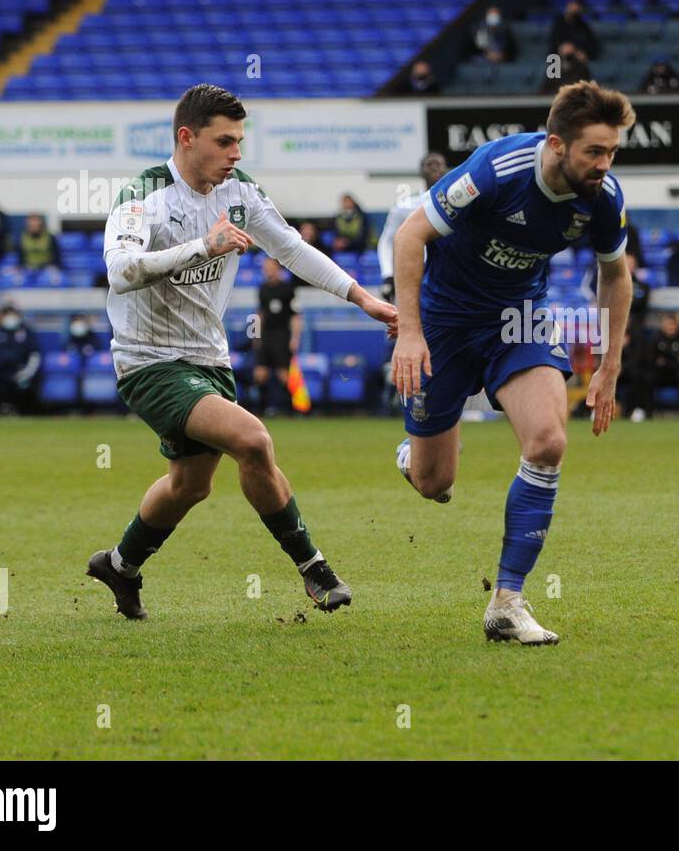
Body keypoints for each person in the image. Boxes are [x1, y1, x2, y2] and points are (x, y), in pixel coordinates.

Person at [84, 84, 397, 621]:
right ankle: (314, 568)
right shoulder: (142, 196)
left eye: (239, 142)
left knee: (189, 485)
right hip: (148, 360)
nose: (236, 154)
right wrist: (204, 246)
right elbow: (121, 271)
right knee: (252, 440)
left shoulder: (240, 192)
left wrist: (363, 298)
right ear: (187, 138)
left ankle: (120, 564)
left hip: (209, 357)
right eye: (225, 142)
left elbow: (292, 249)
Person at [390, 80, 634, 644]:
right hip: (446, 320)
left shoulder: (603, 198)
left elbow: (615, 275)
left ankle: (507, 601)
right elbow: (411, 236)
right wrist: (409, 333)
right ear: (556, 145)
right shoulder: (497, 171)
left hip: (517, 317)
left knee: (548, 442)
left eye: (612, 152)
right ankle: (417, 453)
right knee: (434, 482)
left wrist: (609, 363)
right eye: (594, 152)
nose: (604, 164)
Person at [378, 152, 449, 299]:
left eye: (439, 164)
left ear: (446, 169)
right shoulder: (404, 206)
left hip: (450, 277)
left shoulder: (460, 203)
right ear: (421, 171)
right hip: (416, 276)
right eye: (429, 164)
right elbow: (387, 241)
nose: (434, 168)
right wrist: (388, 275)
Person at [252, 257, 300, 415]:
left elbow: (295, 316)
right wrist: (255, 334)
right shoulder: (262, 289)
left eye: (270, 266)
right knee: (260, 373)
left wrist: (295, 338)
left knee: (283, 375)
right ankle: (261, 410)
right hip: (266, 335)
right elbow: (259, 314)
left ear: (278, 268)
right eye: (265, 267)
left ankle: (288, 410)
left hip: (282, 335)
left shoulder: (288, 289)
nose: (267, 269)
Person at [0, 302, 40, 415]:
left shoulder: (26, 332)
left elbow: (35, 355)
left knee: (25, 387)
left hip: (19, 371)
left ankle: (21, 412)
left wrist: (27, 372)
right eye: (7, 314)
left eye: (12, 314)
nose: (10, 317)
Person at [641, 312, 679, 419]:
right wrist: (675, 360)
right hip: (660, 373)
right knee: (647, 378)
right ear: (663, 326)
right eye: (668, 325)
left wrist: (665, 361)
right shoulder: (656, 337)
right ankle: (648, 414)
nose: (671, 327)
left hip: (678, 373)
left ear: (677, 324)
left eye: (673, 324)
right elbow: (651, 358)